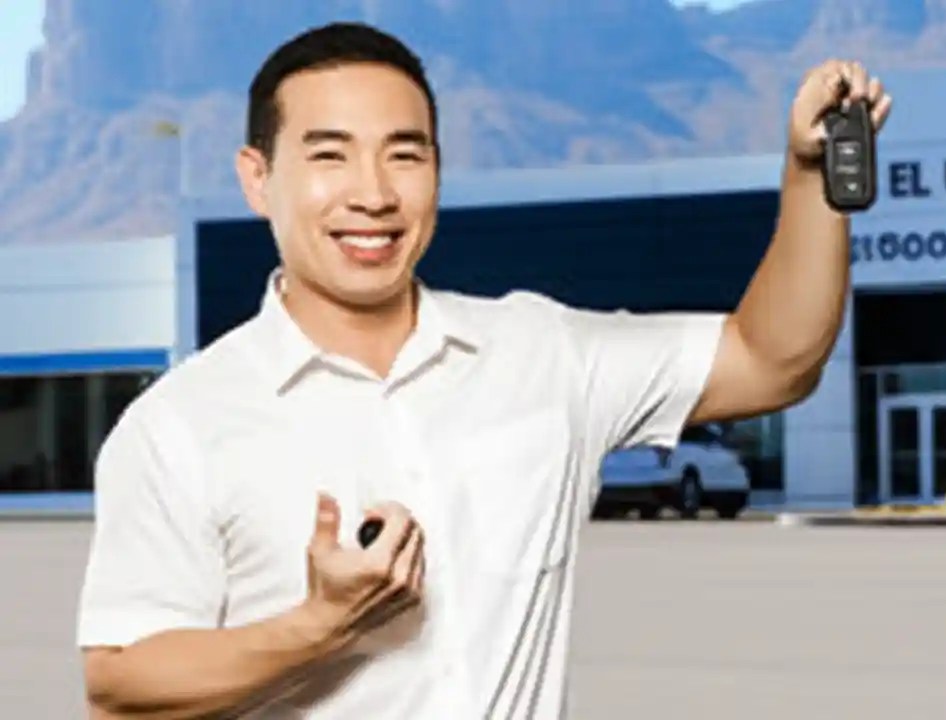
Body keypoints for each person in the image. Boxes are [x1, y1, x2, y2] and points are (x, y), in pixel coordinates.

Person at [75, 21, 892, 720]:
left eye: (405, 155)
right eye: (331, 156)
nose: (373, 194)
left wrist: (811, 175)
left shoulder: (543, 353)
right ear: (258, 179)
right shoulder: (180, 424)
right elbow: (119, 686)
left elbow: (772, 360)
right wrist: (319, 624)